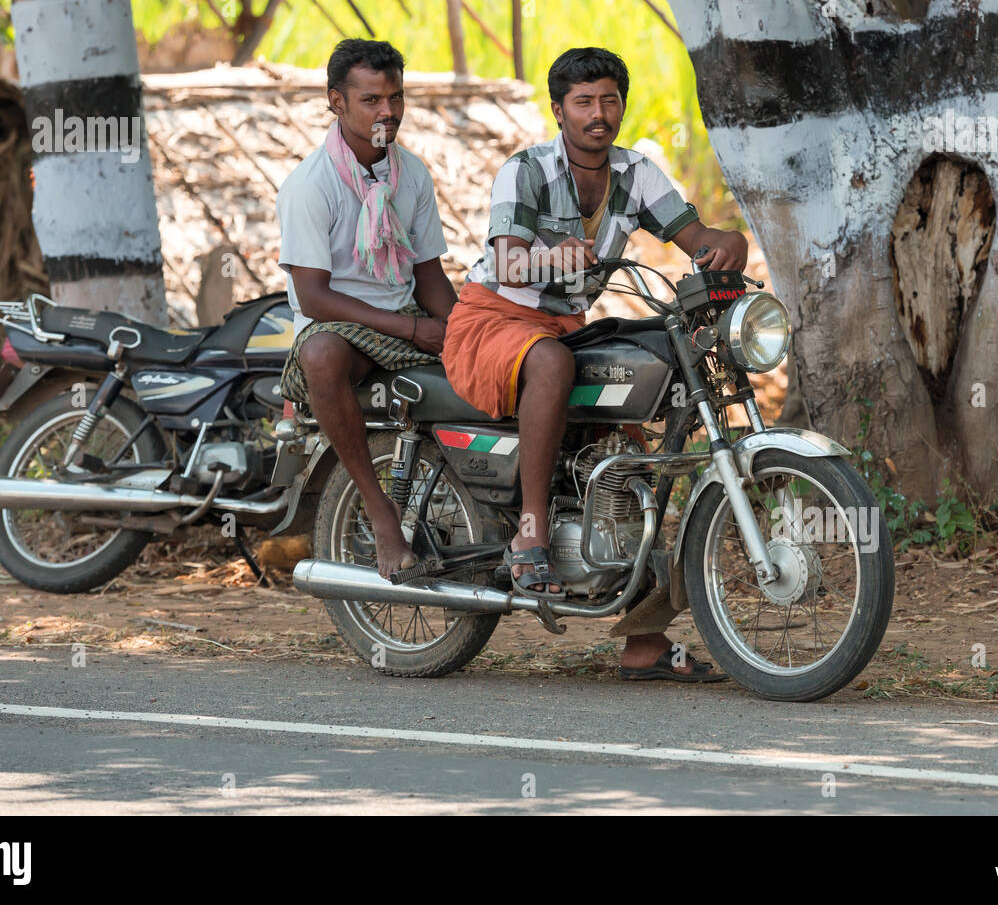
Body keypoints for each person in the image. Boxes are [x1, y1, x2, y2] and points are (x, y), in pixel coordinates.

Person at [442, 46, 749, 682]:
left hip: (564, 328)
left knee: (630, 447)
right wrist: (560, 260)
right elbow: (505, 264)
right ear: (559, 111)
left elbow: (696, 240)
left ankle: (642, 641)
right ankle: (529, 529)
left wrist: (731, 243)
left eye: (609, 100)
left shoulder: (638, 173)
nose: (597, 114)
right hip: (493, 318)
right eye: (583, 102)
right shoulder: (524, 170)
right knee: (551, 364)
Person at [277, 39, 456, 578]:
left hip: (403, 315)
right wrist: (411, 328)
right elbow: (313, 298)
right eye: (371, 100)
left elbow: (429, 275)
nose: (388, 112)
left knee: (490, 355)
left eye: (396, 97)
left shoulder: (412, 174)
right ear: (336, 101)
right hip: (340, 325)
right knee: (323, 354)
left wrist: (460, 328)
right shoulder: (310, 185)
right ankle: (379, 513)